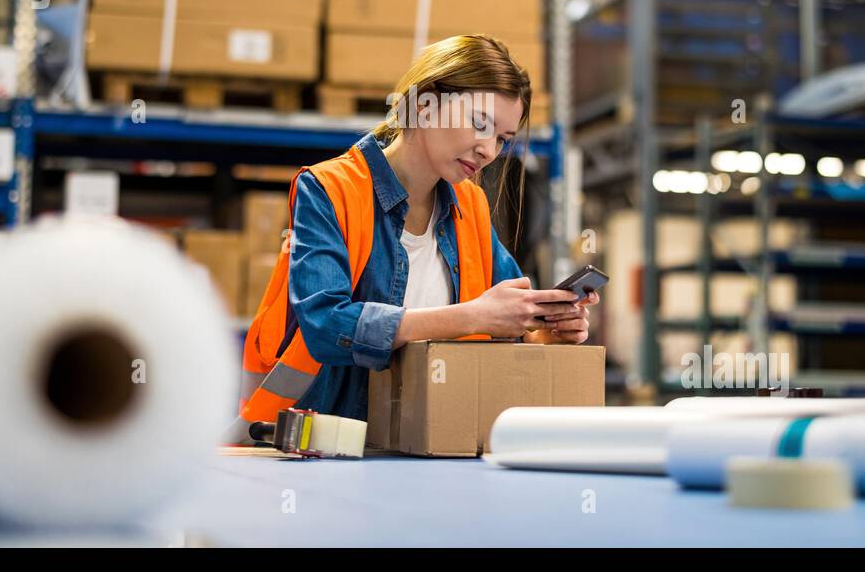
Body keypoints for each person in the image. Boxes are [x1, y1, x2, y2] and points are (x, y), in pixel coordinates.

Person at [237, 34, 597, 424]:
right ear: (425, 104)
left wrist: (546, 329)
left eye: (502, 139)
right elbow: (326, 325)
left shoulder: (470, 207)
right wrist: (471, 317)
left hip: (430, 443)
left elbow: (507, 319)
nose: (488, 150)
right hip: (324, 444)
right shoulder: (328, 189)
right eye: (480, 123)